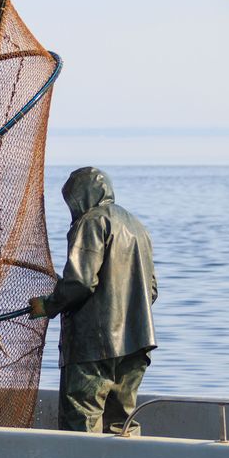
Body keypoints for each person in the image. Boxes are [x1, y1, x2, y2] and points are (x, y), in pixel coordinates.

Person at [29, 167, 157, 434]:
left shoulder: (92, 221)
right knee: (122, 425)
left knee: (81, 420)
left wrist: (47, 305)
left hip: (93, 349)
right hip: (136, 344)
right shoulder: (137, 226)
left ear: (83, 196)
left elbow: (81, 282)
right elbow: (152, 290)